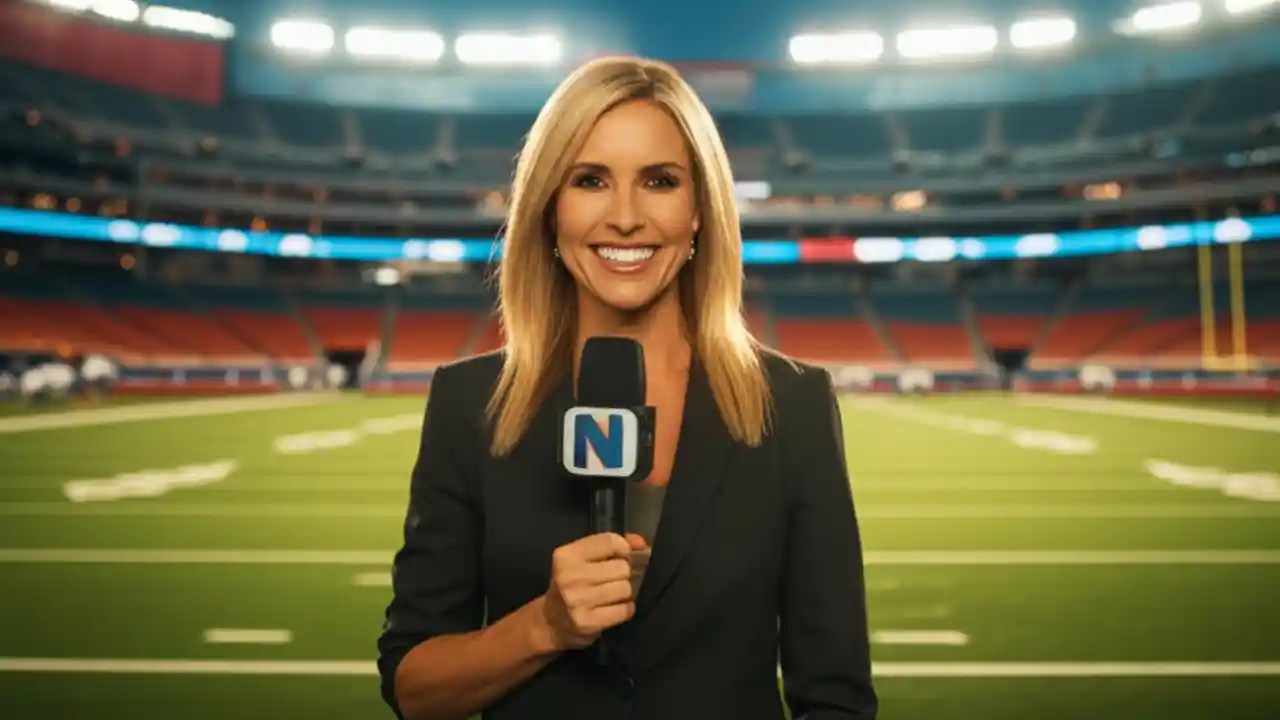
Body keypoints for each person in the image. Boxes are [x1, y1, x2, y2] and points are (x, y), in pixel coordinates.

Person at [377, 55, 877, 720]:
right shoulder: (469, 404)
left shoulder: (794, 406)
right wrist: (544, 626)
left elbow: (836, 698)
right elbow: (414, 688)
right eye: (590, 180)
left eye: (659, 181)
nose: (625, 217)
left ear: (699, 211)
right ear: (550, 209)